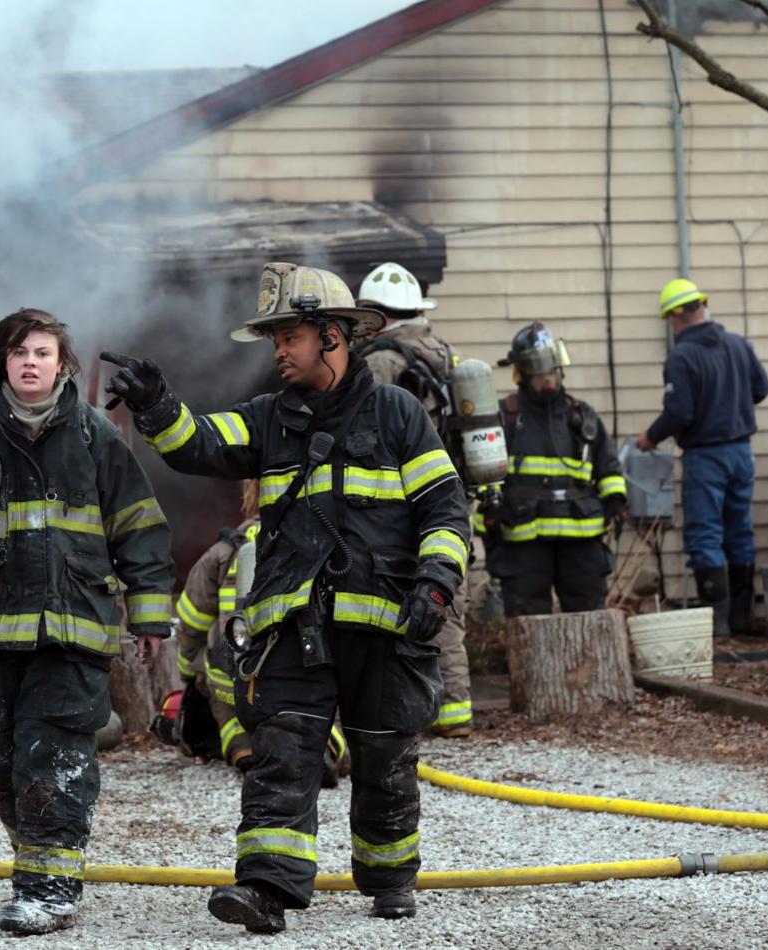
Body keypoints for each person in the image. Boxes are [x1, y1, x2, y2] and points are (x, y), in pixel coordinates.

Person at [102, 261, 470, 934]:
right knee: (283, 754)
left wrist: (437, 582)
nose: (277, 351)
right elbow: (200, 444)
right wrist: (157, 406)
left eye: (289, 336)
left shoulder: (398, 415)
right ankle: (265, 891)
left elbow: (445, 510)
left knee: (385, 761)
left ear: (332, 335)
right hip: (296, 627)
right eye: (274, 338)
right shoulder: (271, 419)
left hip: (386, 627)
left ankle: (390, 879)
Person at [0, 308, 174, 936]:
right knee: (0, 760)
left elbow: (140, 529)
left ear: (61, 365)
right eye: (19, 352)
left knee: (50, 755)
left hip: (71, 629)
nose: (31, 362)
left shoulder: (95, 437)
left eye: (43, 352)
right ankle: (47, 856)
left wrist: (151, 612)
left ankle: (49, 888)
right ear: (0, 365)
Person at [353, 261, 473, 738]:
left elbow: (371, 429)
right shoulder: (444, 353)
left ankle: (411, 709)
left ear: (378, 315)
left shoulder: (383, 360)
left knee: (403, 599)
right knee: (445, 597)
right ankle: (456, 710)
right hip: (450, 497)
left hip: (401, 499)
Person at [168, 480, 351, 783]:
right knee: (319, 710)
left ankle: (242, 749)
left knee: (226, 705)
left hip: (233, 682)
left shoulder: (224, 551)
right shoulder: (319, 544)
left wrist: (190, 676)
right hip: (303, 677)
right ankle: (326, 746)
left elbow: (190, 625)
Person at [636, 279, 768, 638]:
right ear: (702, 306)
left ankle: (718, 623)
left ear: (675, 316)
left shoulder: (682, 357)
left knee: (705, 534)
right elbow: (761, 389)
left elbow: (680, 412)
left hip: (706, 455)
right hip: (742, 452)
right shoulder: (738, 345)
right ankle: (741, 618)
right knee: (739, 530)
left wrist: (650, 437)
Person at [485, 321, 626, 615]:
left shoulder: (582, 416)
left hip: (582, 540)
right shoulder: (505, 418)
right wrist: (491, 514)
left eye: (552, 369)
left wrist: (615, 500)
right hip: (524, 541)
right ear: (521, 374)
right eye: (539, 371)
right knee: (528, 620)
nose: (547, 378)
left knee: (588, 619)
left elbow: (608, 467)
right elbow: (486, 475)